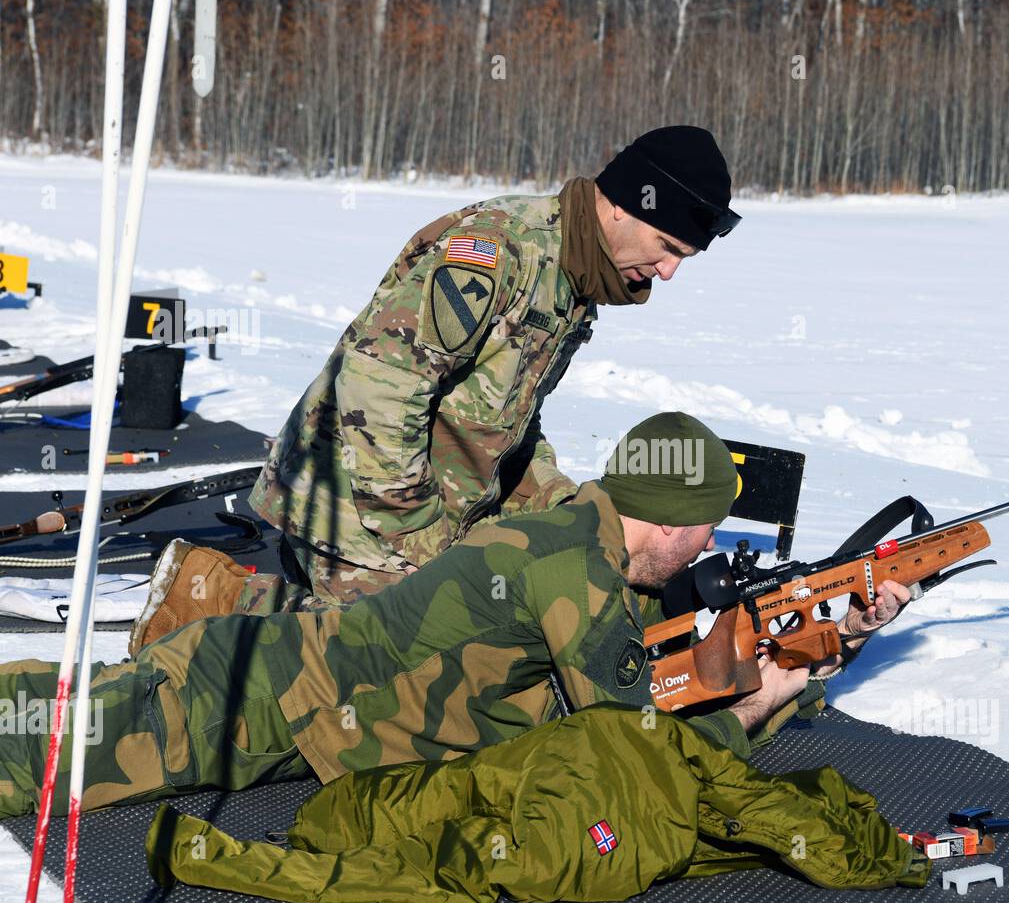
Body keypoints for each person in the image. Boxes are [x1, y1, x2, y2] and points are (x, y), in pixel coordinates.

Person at [0, 413, 909, 819]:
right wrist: (768, 692)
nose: (710, 547)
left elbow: (663, 670)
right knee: (31, 753)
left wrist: (822, 643)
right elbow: (634, 755)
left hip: (277, 697)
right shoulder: (574, 576)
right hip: (246, 701)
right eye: (708, 524)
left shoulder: (580, 547)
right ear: (670, 518)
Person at [129, 126, 743, 654]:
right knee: (405, 660)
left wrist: (564, 507)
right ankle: (199, 600)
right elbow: (379, 388)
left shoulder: (571, 285)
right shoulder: (499, 253)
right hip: (353, 501)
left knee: (499, 615)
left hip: (422, 502)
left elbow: (509, 421)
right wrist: (419, 535)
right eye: (668, 248)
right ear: (623, 206)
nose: (669, 272)